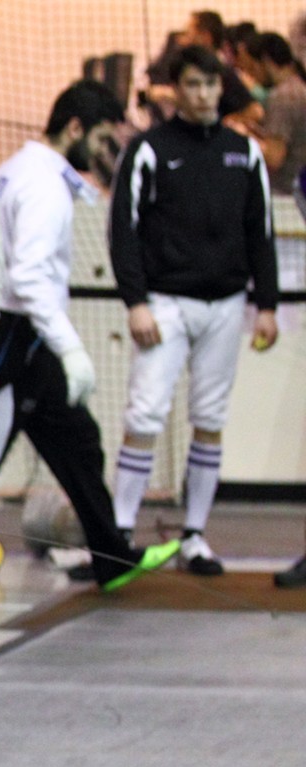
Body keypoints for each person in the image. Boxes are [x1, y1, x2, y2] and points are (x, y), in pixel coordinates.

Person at [0, 81, 181, 590]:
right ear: (76, 128)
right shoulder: (42, 185)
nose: (106, 153)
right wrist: (69, 347)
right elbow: (28, 278)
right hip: (11, 335)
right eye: (103, 139)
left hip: (24, 335)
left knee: (76, 437)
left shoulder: (22, 168)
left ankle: (112, 556)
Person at [109, 45, 279, 576]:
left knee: (209, 420)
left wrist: (265, 306)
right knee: (145, 414)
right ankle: (117, 536)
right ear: (176, 90)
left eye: (210, 85)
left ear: (220, 89)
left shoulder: (243, 152)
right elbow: (123, 230)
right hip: (164, 303)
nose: (202, 94)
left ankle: (195, 536)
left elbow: (261, 232)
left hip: (226, 306)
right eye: (192, 85)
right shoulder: (148, 149)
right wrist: (137, 302)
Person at [245, 32, 306, 191]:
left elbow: (274, 158)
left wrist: (243, 136)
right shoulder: (298, 88)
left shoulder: (283, 97)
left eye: (253, 67)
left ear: (265, 61)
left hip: (286, 194)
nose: (253, 76)